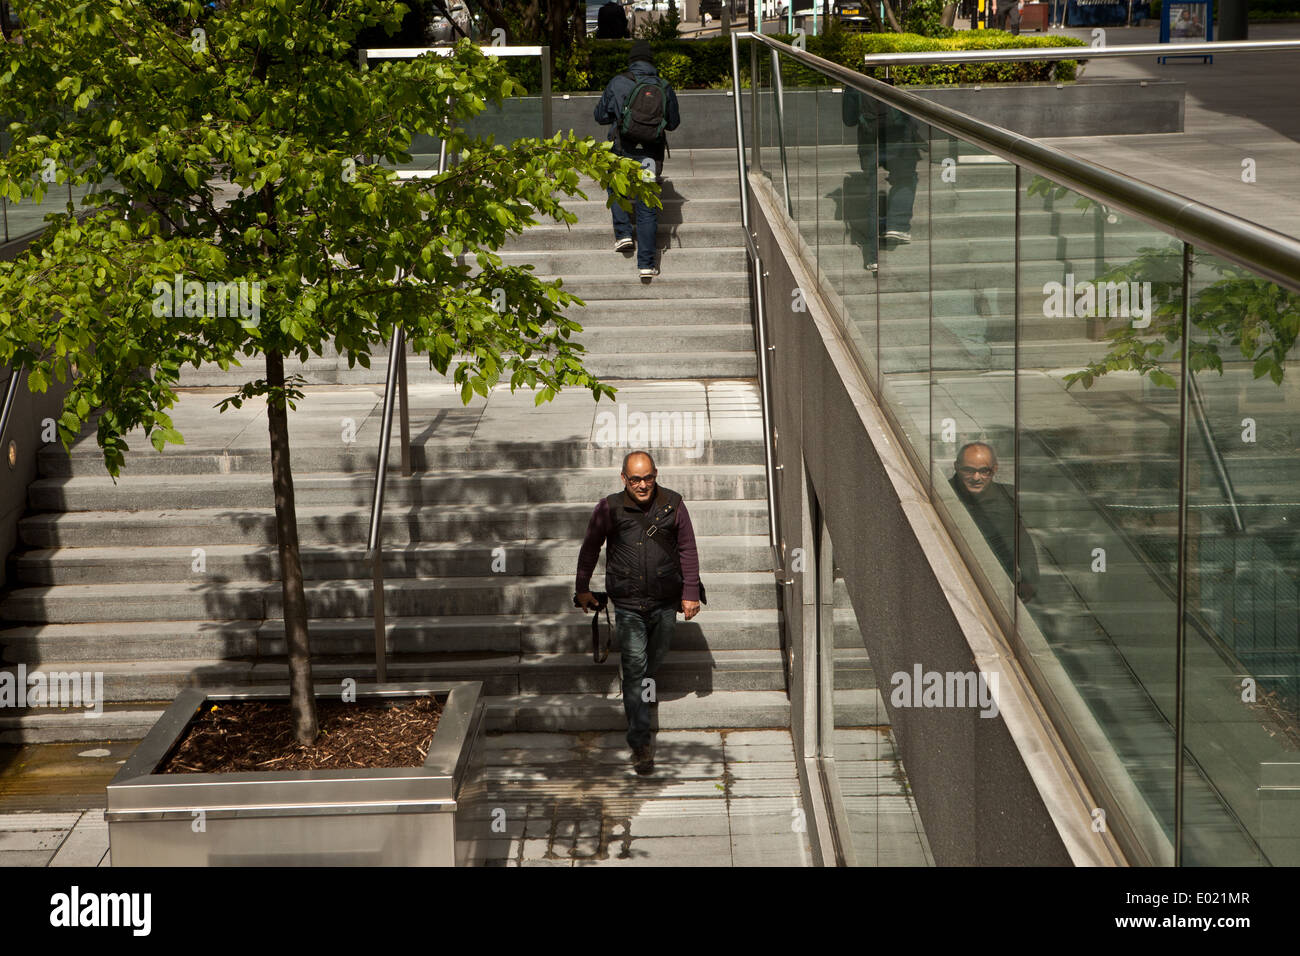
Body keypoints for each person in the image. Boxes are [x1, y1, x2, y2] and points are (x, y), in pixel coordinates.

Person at [575, 450, 702, 775]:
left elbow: (687, 547)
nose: (643, 484)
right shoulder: (609, 507)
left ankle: (640, 685)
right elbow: (591, 546)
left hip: (664, 601)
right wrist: (582, 588)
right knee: (635, 666)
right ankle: (641, 742)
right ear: (624, 479)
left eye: (648, 477)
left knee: (653, 659)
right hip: (628, 604)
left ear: (656, 474)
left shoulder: (673, 504)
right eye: (635, 479)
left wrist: (689, 593)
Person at [592, 39, 681, 278]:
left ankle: (622, 235)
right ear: (651, 62)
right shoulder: (663, 85)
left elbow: (599, 116)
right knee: (647, 206)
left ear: (631, 61)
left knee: (616, 186)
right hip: (650, 154)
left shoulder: (618, 82)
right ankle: (646, 264)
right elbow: (673, 123)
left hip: (621, 150)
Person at [949, 442, 1039, 602]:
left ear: (995, 469)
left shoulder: (1007, 496)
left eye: (984, 471)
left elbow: (1020, 538)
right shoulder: (944, 493)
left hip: (998, 581)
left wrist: (1029, 577)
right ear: (956, 467)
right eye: (968, 470)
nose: (976, 478)